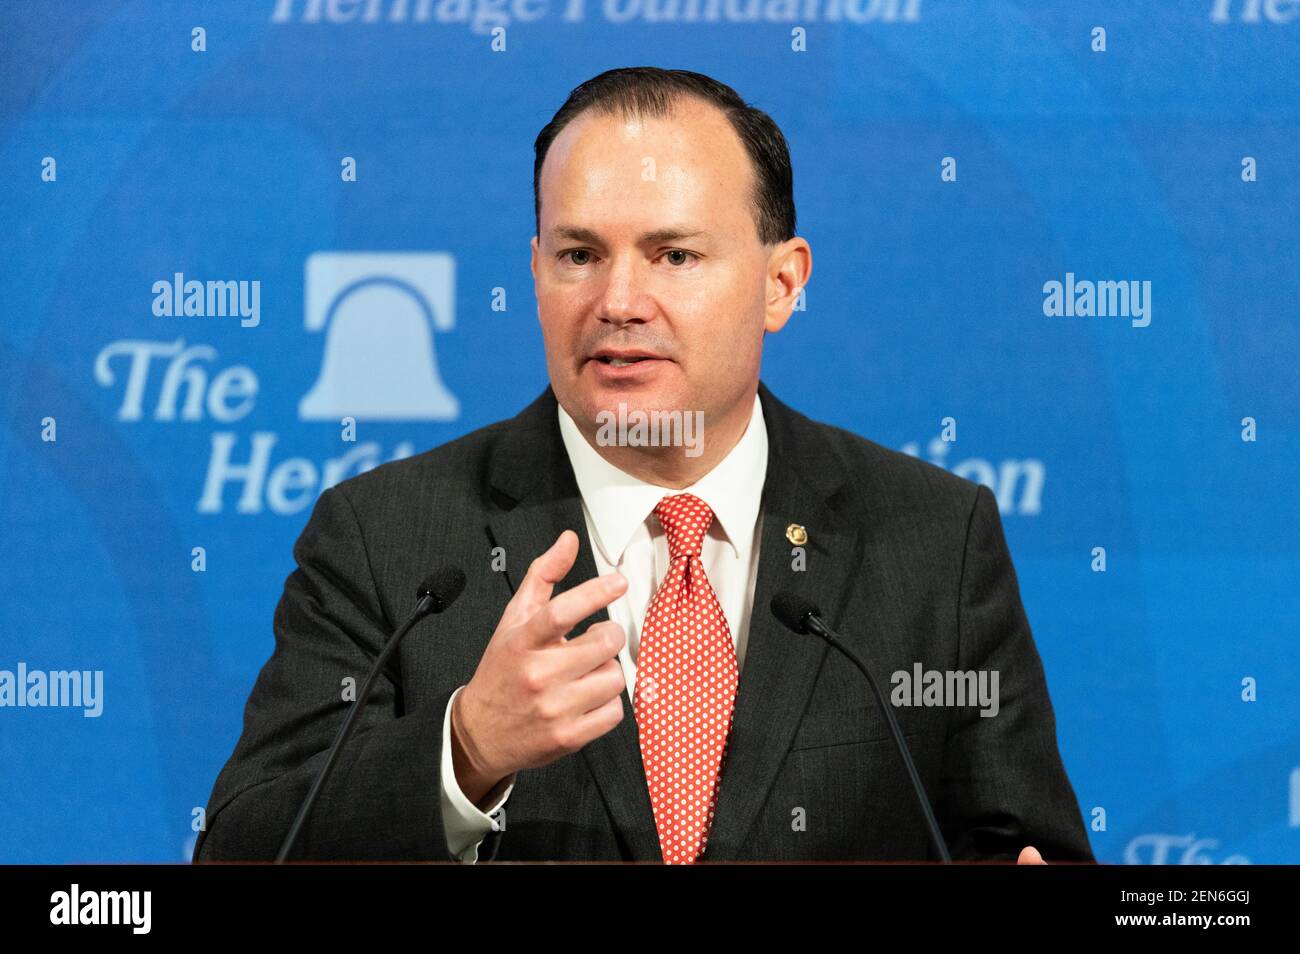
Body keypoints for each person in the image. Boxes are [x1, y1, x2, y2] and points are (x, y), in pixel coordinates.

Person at [194, 67, 1093, 864]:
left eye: (675, 255)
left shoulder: (934, 539)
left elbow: (1008, 844)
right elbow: (243, 849)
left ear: (782, 283)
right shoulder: (386, 538)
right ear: (536, 271)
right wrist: (465, 748)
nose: (620, 302)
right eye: (580, 255)